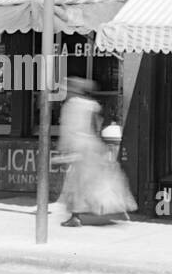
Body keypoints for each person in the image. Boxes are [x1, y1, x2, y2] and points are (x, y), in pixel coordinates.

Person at [57, 77, 137, 226]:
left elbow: (68, 130)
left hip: (77, 147)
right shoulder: (92, 106)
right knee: (99, 180)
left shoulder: (70, 105)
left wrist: (64, 150)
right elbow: (96, 127)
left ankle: (76, 217)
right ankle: (118, 208)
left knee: (76, 183)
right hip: (90, 145)